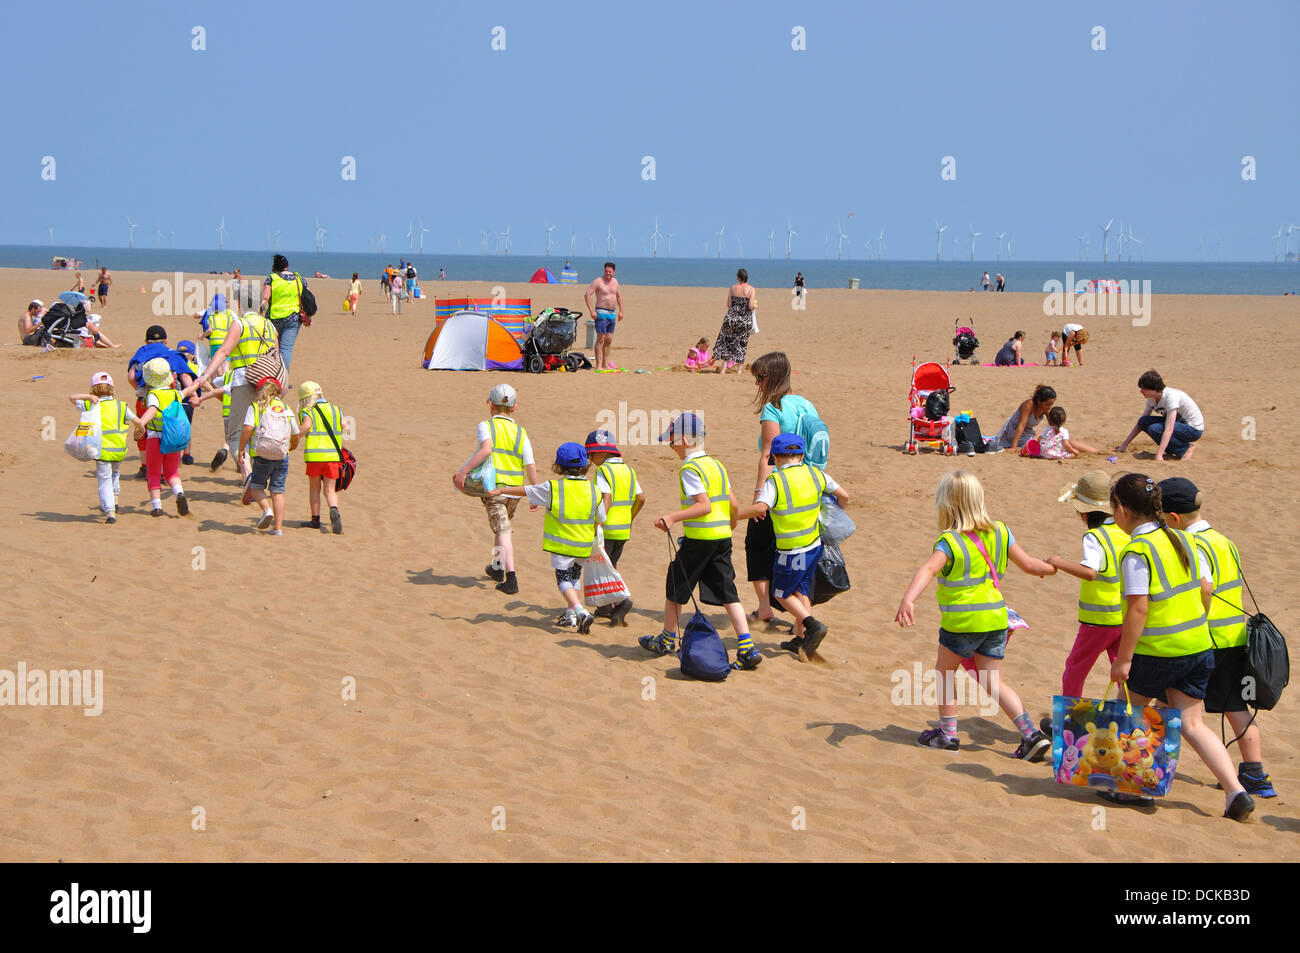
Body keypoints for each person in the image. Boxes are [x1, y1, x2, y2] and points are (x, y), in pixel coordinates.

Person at [1105, 473, 1253, 820]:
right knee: (1192, 724)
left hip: (1157, 652)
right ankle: (1236, 792)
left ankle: (1138, 790)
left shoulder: (1137, 551)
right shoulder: (1183, 539)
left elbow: (1138, 608)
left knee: (1133, 716)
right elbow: (1205, 589)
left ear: (1123, 511)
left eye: (1113, 510)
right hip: (1199, 647)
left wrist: (1123, 660)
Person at [893, 470, 1055, 758]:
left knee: (944, 673)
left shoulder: (950, 541)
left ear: (947, 505)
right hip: (996, 618)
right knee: (993, 680)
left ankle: (947, 734)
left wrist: (909, 598)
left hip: (962, 621)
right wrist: (1053, 567)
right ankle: (1030, 734)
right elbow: (1030, 565)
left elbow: (929, 569)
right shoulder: (1001, 531)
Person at [1159, 477, 1276, 798]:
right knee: (1236, 706)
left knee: (1169, 704)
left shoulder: (1191, 544)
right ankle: (1255, 774)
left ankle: (1154, 765)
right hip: (1235, 637)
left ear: (1173, 519)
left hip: (1205, 639)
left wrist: (1196, 615)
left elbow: (1204, 586)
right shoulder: (1224, 540)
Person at [637, 413, 762, 672]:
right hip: (722, 540)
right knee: (729, 593)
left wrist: (672, 517)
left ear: (683, 439)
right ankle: (747, 647)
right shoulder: (716, 465)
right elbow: (734, 504)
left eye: (671, 441)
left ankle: (666, 639)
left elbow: (703, 506)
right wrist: (731, 525)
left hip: (699, 540)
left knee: (676, 587)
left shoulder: (689, 469)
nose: (670, 446)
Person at [733, 433, 849, 657]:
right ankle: (802, 638)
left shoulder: (775, 481)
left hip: (790, 549)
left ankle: (811, 624)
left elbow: (760, 509)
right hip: (814, 545)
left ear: (774, 457)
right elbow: (844, 496)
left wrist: (734, 515)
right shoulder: (817, 474)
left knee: (781, 593)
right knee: (801, 590)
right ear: (802, 455)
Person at [486, 443, 603, 633]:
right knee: (574, 577)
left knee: (563, 580)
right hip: (584, 544)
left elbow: (527, 490)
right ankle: (571, 615)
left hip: (562, 545)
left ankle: (581, 612)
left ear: (559, 466)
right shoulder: (594, 490)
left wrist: (500, 491)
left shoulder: (553, 488)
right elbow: (601, 518)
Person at [743, 352, 821, 630]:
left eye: (760, 378)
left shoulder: (773, 409)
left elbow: (768, 454)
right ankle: (802, 628)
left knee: (757, 545)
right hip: (807, 487)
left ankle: (766, 608)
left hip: (779, 489)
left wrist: (758, 495)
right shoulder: (807, 405)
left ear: (772, 377)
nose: (757, 384)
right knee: (799, 558)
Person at [1043, 470, 1131, 704]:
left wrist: (1058, 562)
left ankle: (1069, 718)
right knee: (1123, 669)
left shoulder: (1095, 537)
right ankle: (1133, 718)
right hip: (1123, 615)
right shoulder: (1125, 532)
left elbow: (1090, 572)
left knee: (1075, 668)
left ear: (1084, 512)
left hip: (1098, 619)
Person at [452, 383, 539, 595]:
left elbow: (486, 450)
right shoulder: (521, 432)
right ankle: (497, 567)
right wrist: (535, 492)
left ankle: (511, 578)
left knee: (503, 531)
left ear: (490, 404)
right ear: (515, 407)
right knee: (502, 528)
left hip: (495, 489)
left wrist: (463, 472)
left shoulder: (486, 426)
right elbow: (530, 464)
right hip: (515, 490)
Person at [183, 310, 279, 483]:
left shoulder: (240, 323)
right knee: (260, 432)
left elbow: (224, 352)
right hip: (268, 382)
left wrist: (204, 376)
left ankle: (249, 474)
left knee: (234, 438)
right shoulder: (271, 327)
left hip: (244, 380)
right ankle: (260, 477)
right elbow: (276, 357)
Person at [585, 429, 642, 626]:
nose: (591, 460)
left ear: (602, 453)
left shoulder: (603, 471)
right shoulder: (629, 471)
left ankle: (621, 601)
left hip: (606, 529)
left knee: (603, 568)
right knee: (611, 566)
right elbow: (641, 499)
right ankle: (605, 606)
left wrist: (597, 524)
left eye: (591, 455)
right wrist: (630, 517)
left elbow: (606, 497)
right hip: (623, 530)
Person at [68, 372, 136, 524]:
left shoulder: (90, 404)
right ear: (112, 388)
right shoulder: (121, 405)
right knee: (115, 473)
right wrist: (140, 431)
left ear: (93, 390)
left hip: (101, 450)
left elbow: (72, 397)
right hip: (119, 449)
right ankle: (115, 500)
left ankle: (110, 512)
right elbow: (136, 421)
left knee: (104, 480)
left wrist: (88, 397)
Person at [238, 376, 297, 535]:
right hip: (281, 454)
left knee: (257, 486)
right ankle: (278, 528)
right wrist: (293, 446)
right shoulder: (285, 407)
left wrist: (241, 448)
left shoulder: (256, 406)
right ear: (278, 392)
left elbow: (248, 428)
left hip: (262, 454)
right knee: (277, 491)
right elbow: (295, 432)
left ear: (259, 390)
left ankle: (266, 510)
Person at [132, 358, 190, 517]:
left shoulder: (153, 394)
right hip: (173, 438)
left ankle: (156, 506)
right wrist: (197, 384)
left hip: (155, 438)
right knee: (172, 472)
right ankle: (179, 492)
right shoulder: (174, 393)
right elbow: (186, 392)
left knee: (153, 473)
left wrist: (140, 424)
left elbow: (151, 410)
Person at [1116, 370, 1205, 462]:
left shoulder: (1170, 397)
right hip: (1178, 425)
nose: (1141, 391)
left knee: (1155, 428)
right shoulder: (1151, 399)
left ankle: (1185, 448)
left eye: (1144, 388)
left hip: (1193, 429)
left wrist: (1159, 455)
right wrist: (1124, 445)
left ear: (1154, 388)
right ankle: (1172, 449)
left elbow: (1169, 428)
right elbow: (1140, 423)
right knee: (1143, 421)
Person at [295, 380, 345, 535]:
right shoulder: (335, 409)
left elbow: (307, 426)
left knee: (315, 489)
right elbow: (344, 425)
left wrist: (295, 436)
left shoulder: (308, 411)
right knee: (330, 490)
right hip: (332, 455)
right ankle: (334, 510)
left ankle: (315, 519)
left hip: (314, 455)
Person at [260, 254, 307, 374]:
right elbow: (305, 297)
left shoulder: (272, 278)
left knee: (272, 348)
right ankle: (283, 378)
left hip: (274, 318)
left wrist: (261, 316)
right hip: (293, 318)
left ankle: (271, 374)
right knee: (286, 349)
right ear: (287, 266)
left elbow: (265, 298)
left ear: (274, 267)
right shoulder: (299, 278)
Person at [712, 268, 757, 374]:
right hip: (744, 319)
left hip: (731, 318)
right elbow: (750, 306)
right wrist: (754, 306)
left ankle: (723, 369)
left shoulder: (733, 288)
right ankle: (739, 369)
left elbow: (729, 305)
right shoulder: (751, 289)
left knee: (727, 342)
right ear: (747, 277)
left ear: (738, 277)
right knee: (742, 343)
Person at [583, 262, 624, 371]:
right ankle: (598, 365)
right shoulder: (598, 281)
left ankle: (605, 364)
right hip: (601, 313)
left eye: (610, 272)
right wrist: (592, 311)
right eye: (606, 271)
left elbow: (619, 296)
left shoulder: (615, 282)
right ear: (604, 271)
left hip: (612, 314)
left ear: (614, 272)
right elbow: (587, 294)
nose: (608, 273)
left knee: (609, 339)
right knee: (600, 339)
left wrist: (621, 311)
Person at [991, 384, 1055, 451]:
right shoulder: (1029, 405)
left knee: (1043, 439)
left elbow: (1052, 425)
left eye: (1051, 404)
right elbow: (1021, 425)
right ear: (1039, 401)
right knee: (1038, 441)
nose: (1050, 406)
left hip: (1027, 432)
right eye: (1047, 404)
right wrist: (1013, 447)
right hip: (1014, 431)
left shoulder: (1046, 409)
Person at [1033, 406, 1100, 459]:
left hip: (1044, 453)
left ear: (1050, 419)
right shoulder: (1064, 431)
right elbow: (1066, 445)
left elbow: (1040, 439)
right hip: (1055, 454)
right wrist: (1073, 451)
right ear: (1064, 421)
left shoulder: (1047, 429)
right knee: (1073, 454)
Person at [196, 292, 237, 362]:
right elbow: (238, 321)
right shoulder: (229, 314)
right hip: (226, 342)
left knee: (215, 363)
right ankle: (224, 373)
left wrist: (202, 336)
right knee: (225, 363)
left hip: (214, 342)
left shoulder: (210, 315)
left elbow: (196, 315)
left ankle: (220, 373)